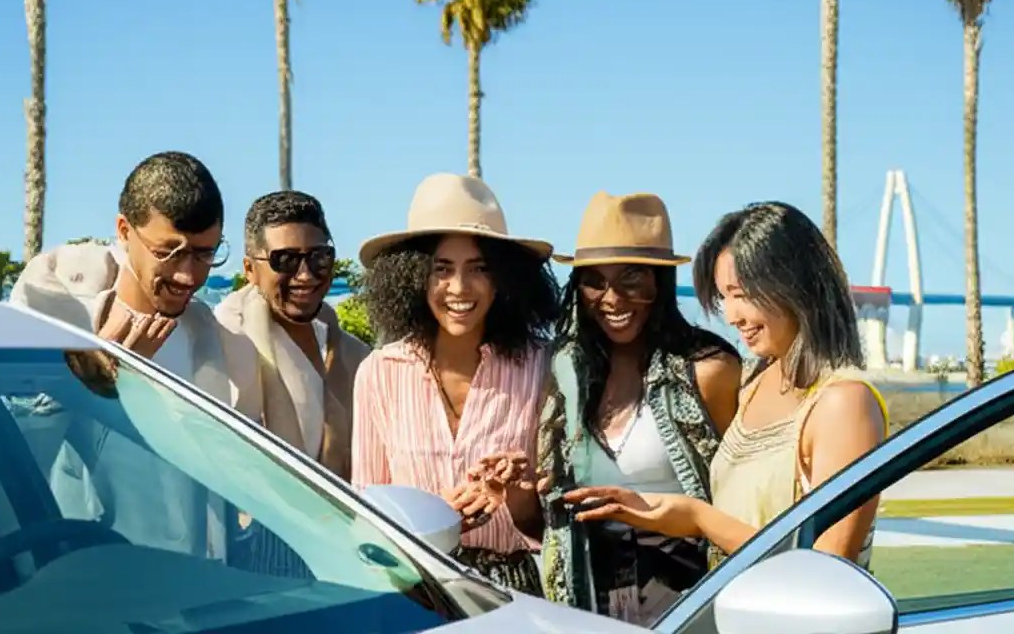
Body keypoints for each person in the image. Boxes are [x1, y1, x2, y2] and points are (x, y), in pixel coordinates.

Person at [558, 201, 889, 570]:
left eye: (742, 294)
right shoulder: (752, 383)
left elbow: (828, 569)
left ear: (796, 285)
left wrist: (700, 519)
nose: (731, 317)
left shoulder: (843, 402)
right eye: (724, 297)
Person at [10, 150, 258, 558]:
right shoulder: (62, 320)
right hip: (98, 592)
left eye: (205, 253)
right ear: (124, 231)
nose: (189, 275)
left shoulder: (210, 334)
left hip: (202, 596)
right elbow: (11, 472)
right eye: (169, 251)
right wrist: (83, 386)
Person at [529, 191, 742, 623]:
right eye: (594, 281)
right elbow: (545, 515)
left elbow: (736, 500)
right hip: (586, 603)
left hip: (687, 601)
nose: (611, 299)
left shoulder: (708, 369)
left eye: (631, 279)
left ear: (659, 284)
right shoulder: (567, 371)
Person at [350, 172, 561, 595]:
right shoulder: (380, 371)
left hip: (513, 598)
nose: (459, 288)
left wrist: (517, 496)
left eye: (479, 269)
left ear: (503, 279)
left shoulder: (543, 366)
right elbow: (367, 521)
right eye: (441, 270)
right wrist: (435, 517)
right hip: (412, 591)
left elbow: (551, 528)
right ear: (410, 277)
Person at [214, 190, 369, 480]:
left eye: (318, 258)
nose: (305, 275)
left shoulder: (353, 354)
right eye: (284, 260)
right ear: (249, 269)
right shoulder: (228, 338)